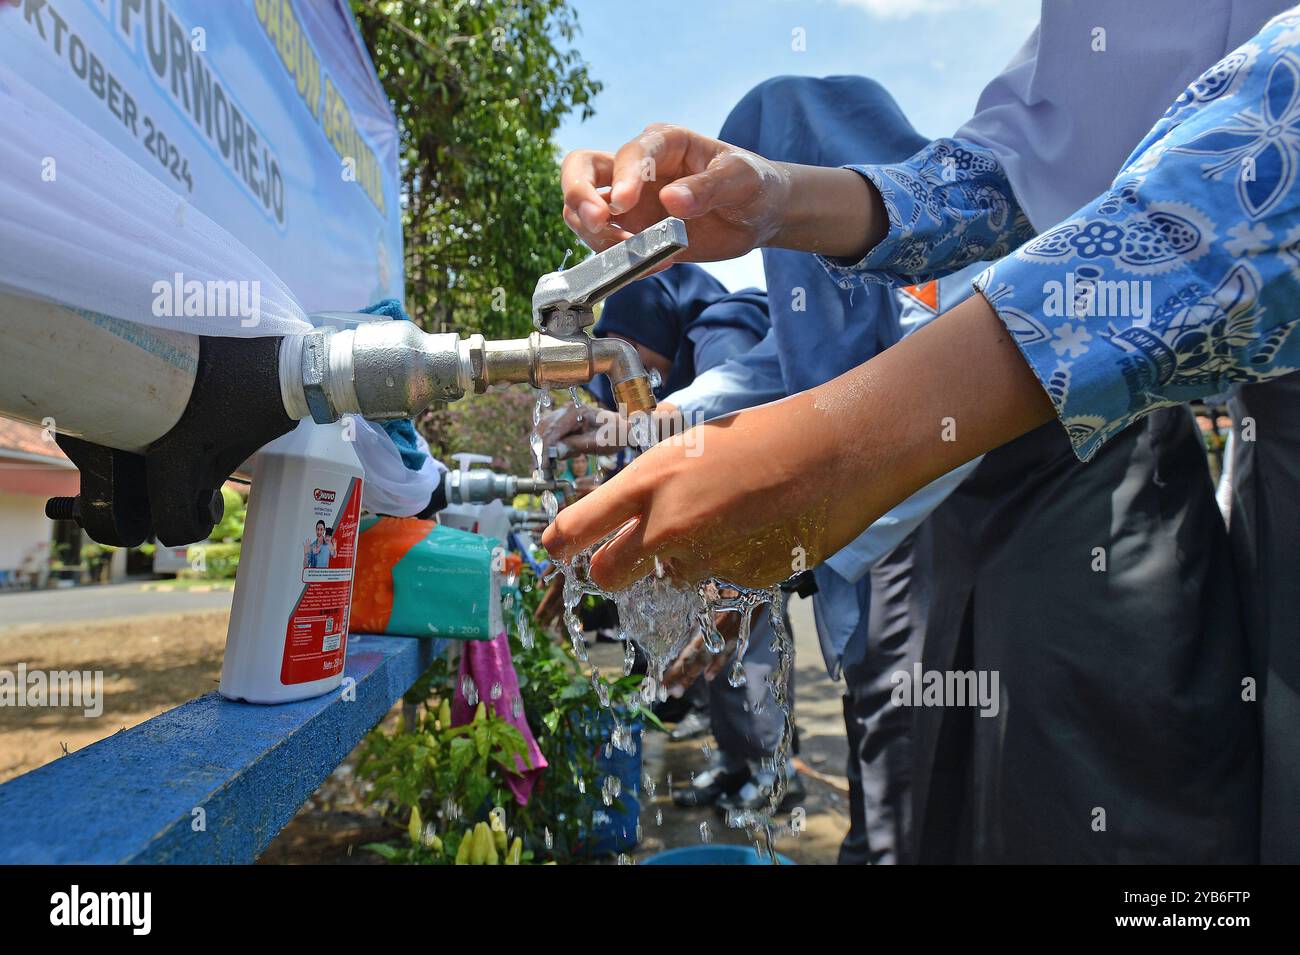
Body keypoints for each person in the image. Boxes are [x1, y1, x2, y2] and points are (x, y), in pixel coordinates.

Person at [547, 2, 1300, 861]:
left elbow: (1251, 174)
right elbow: (1026, 165)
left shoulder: (957, 318)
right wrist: (780, 201)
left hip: (1099, 515)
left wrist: (833, 452)